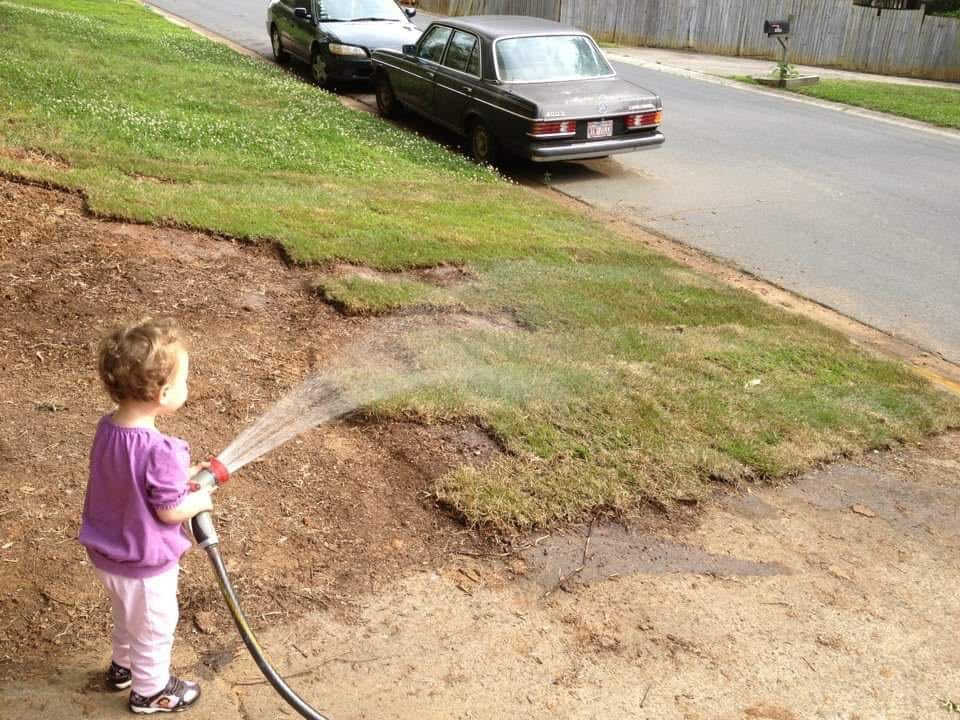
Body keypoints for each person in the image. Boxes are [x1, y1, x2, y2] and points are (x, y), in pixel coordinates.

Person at [79, 318, 212, 714]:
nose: (187, 388)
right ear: (164, 392)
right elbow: (170, 510)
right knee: (153, 627)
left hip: (109, 557)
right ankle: (150, 691)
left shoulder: (109, 429)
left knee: (127, 617)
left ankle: (122, 667)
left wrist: (181, 478)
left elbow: (131, 479)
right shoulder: (163, 450)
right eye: (185, 381)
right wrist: (200, 501)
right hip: (145, 564)